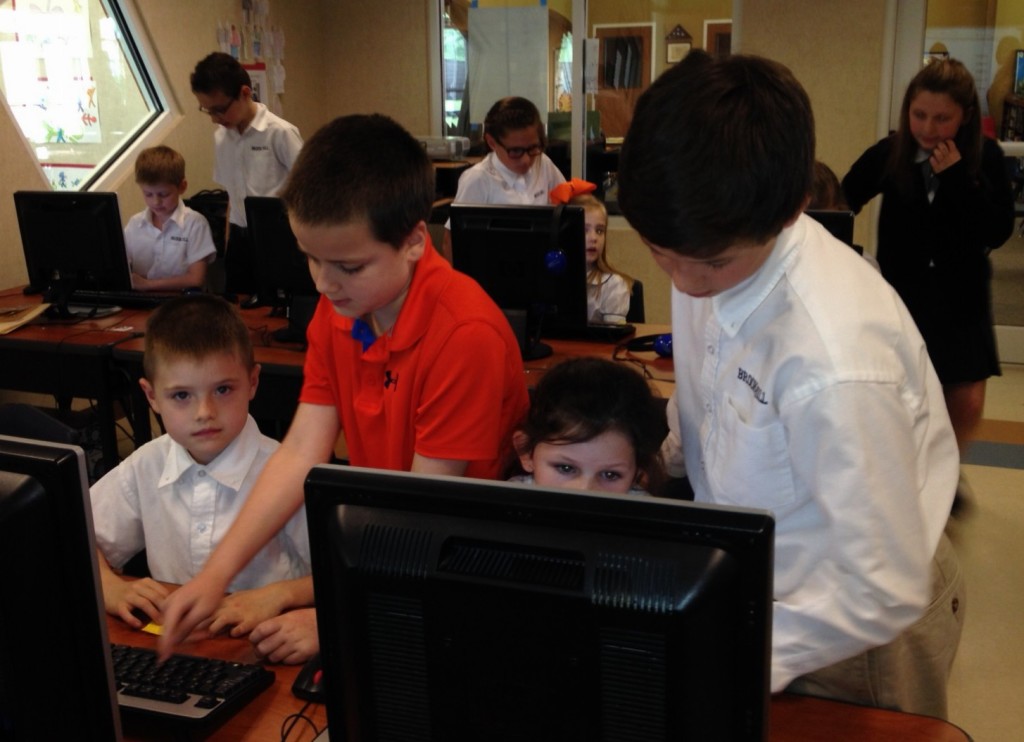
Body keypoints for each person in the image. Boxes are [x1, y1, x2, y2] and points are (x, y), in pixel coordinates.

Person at [617, 50, 964, 718]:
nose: (683, 280)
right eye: (662, 254)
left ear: (792, 209)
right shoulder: (705, 229)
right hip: (760, 580)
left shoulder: (834, 361)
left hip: (855, 626)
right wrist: (662, 472)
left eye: (710, 264)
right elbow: (705, 396)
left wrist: (742, 649)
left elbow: (882, 587)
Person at [157, 113, 531, 659]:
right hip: (393, 552)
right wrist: (215, 574)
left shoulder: (463, 335)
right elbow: (302, 451)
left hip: (462, 573)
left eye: (348, 266)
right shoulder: (342, 309)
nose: (323, 283)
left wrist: (335, 617)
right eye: (310, 257)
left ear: (413, 241)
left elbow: (423, 515)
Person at [90, 295, 313, 657]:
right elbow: (74, 529)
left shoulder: (285, 472)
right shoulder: (147, 463)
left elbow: (341, 575)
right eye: (181, 395)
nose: (205, 412)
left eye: (223, 390)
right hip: (178, 648)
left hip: (267, 649)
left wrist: (279, 594)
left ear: (253, 382)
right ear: (151, 396)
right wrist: (109, 588)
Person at [842, 57, 1015, 469]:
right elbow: (843, 198)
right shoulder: (891, 153)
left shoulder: (985, 157)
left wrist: (957, 180)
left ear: (966, 116)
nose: (928, 128)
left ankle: (945, 474)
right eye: (919, 115)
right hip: (906, 294)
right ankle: (907, 471)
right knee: (906, 393)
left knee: (966, 399)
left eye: (942, 118)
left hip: (962, 294)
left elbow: (996, 230)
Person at [190, 51, 303, 298]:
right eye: (207, 111)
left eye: (219, 110)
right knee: (238, 310)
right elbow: (233, 196)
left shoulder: (280, 133)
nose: (214, 119)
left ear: (244, 93)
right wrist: (231, 246)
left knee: (276, 311)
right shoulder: (221, 137)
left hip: (282, 237)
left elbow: (309, 191)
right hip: (241, 239)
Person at [507, 356, 667, 496]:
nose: (584, 490)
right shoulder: (500, 511)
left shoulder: (648, 524)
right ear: (526, 451)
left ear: (638, 473)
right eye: (565, 468)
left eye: (610, 475)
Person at [442, 96, 566, 259]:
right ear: (492, 142)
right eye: (515, 151)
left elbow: (568, 207)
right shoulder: (478, 179)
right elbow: (450, 242)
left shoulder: (543, 164)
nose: (526, 160)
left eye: (533, 148)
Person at [123, 146, 217, 291]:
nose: (156, 202)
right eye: (148, 194)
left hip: (184, 303)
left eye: (164, 194)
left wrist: (148, 285)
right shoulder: (135, 224)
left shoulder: (195, 223)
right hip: (142, 301)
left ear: (182, 187)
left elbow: (196, 279)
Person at [556, 186, 634, 324]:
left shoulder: (613, 285)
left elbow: (613, 340)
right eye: (584, 230)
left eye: (599, 231)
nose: (594, 238)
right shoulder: (553, 279)